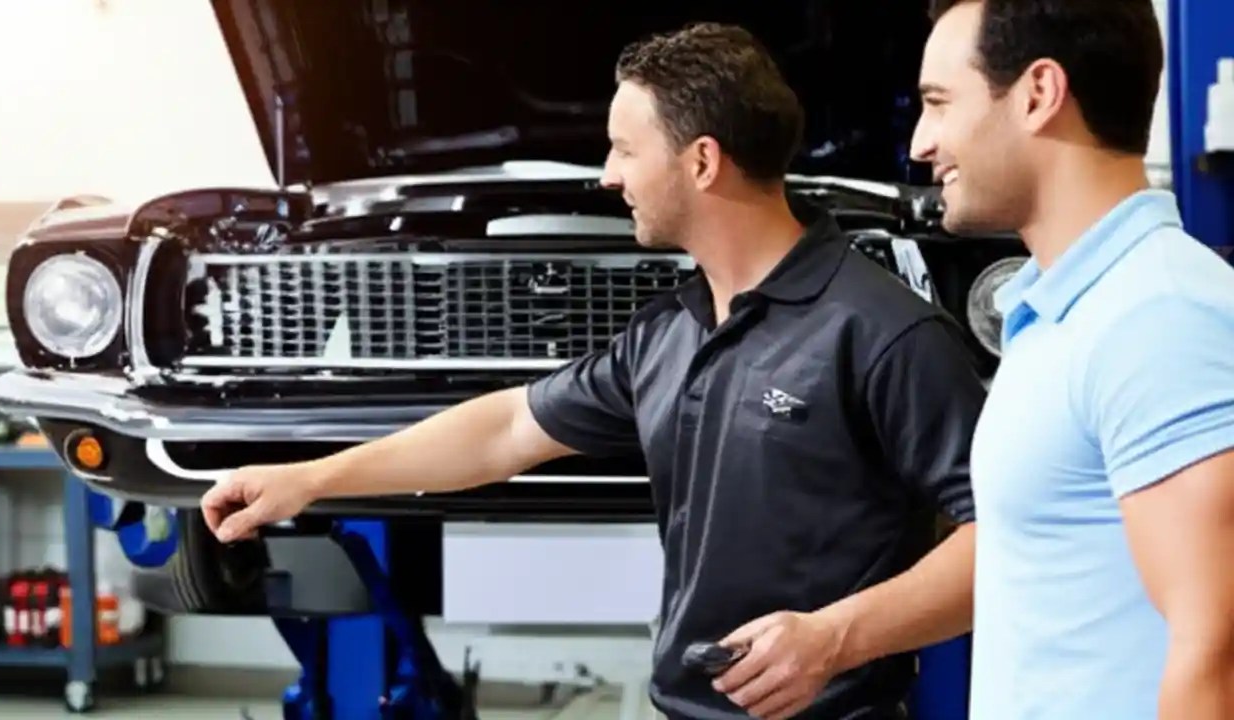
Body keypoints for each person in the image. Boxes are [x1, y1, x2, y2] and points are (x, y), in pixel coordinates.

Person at [203, 23, 986, 720]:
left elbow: (1000, 540)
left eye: (624, 149)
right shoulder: (669, 331)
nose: (608, 176)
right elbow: (504, 430)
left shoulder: (883, 331)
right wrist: (308, 478)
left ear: (702, 161)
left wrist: (833, 640)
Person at [912, 1, 1234, 719]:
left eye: (938, 104)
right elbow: (1031, 547)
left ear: (1038, 93)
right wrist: (833, 638)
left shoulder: (1162, 316)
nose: (921, 143)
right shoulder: (1063, 309)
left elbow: (1217, 649)